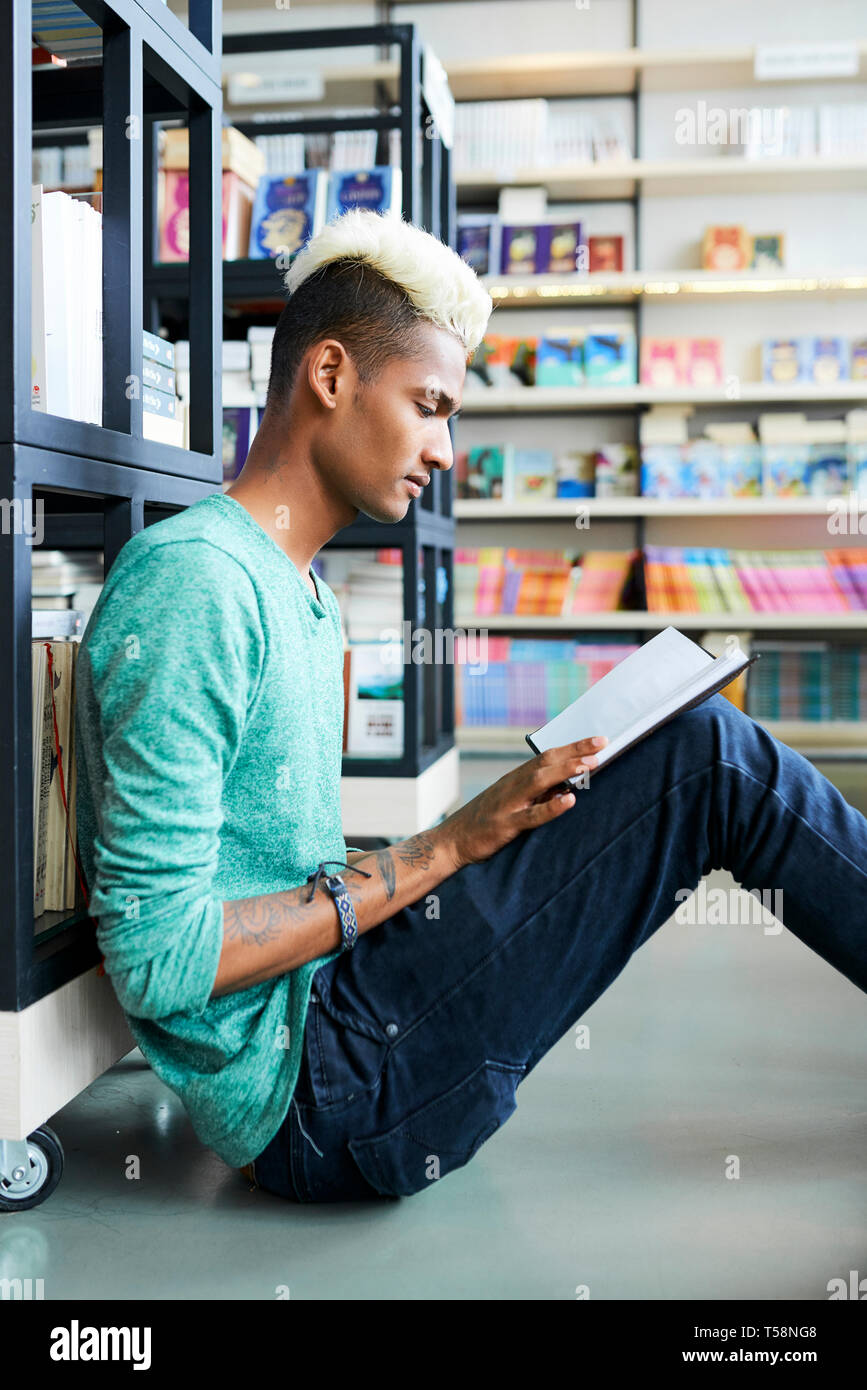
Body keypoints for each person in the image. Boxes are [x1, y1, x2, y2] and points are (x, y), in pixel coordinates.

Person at [75, 209, 867, 1207]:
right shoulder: (199, 583)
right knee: (708, 754)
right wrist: (441, 849)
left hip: (342, 1017)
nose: (447, 450)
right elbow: (158, 958)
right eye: (430, 404)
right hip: (321, 1090)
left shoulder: (299, 594)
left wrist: (474, 833)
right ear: (330, 377)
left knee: (664, 741)